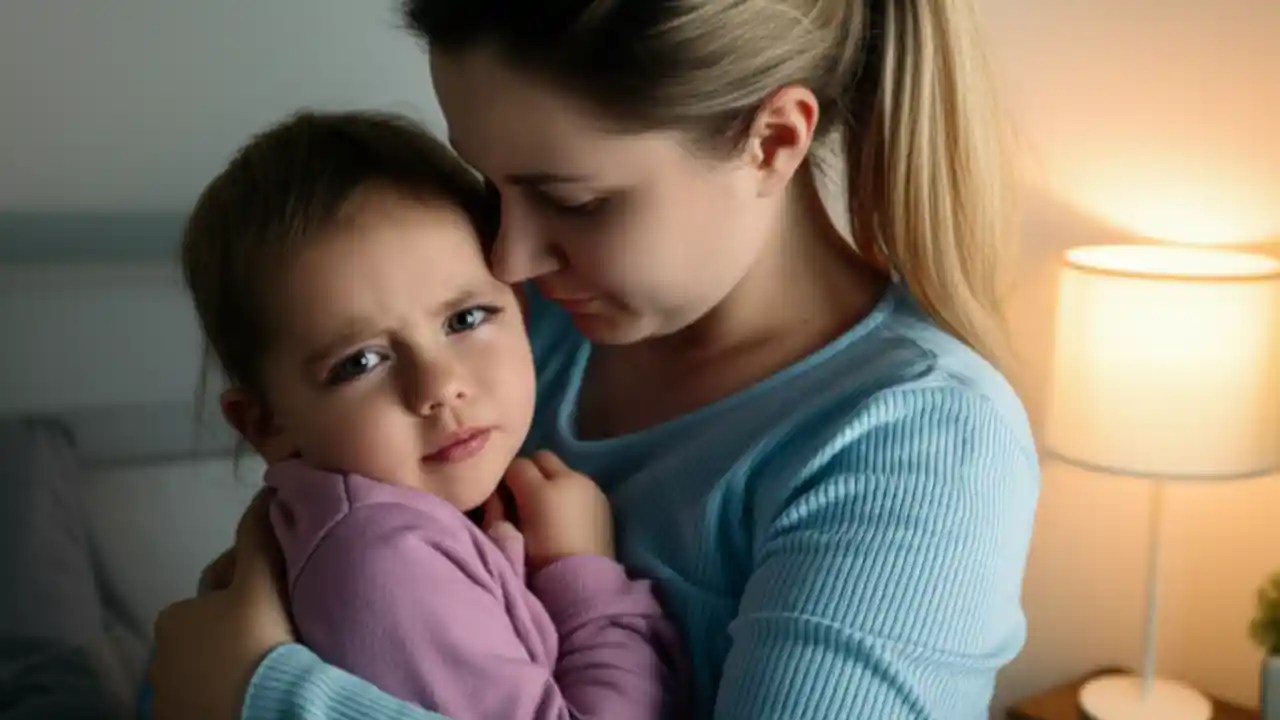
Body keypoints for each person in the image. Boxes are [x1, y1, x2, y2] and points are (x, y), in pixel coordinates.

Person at [149, 0, 1041, 718]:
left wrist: (266, 693)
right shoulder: (507, 331)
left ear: (772, 142)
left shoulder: (916, 438)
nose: (509, 261)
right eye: (489, 190)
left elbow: (237, 663)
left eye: (571, 200)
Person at [168, 111, 681, 719]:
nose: (438, 388)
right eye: (360, 362)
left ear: (518, 305)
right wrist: (583, 573)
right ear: (266, 424)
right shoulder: (383, 559)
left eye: (464, 320)